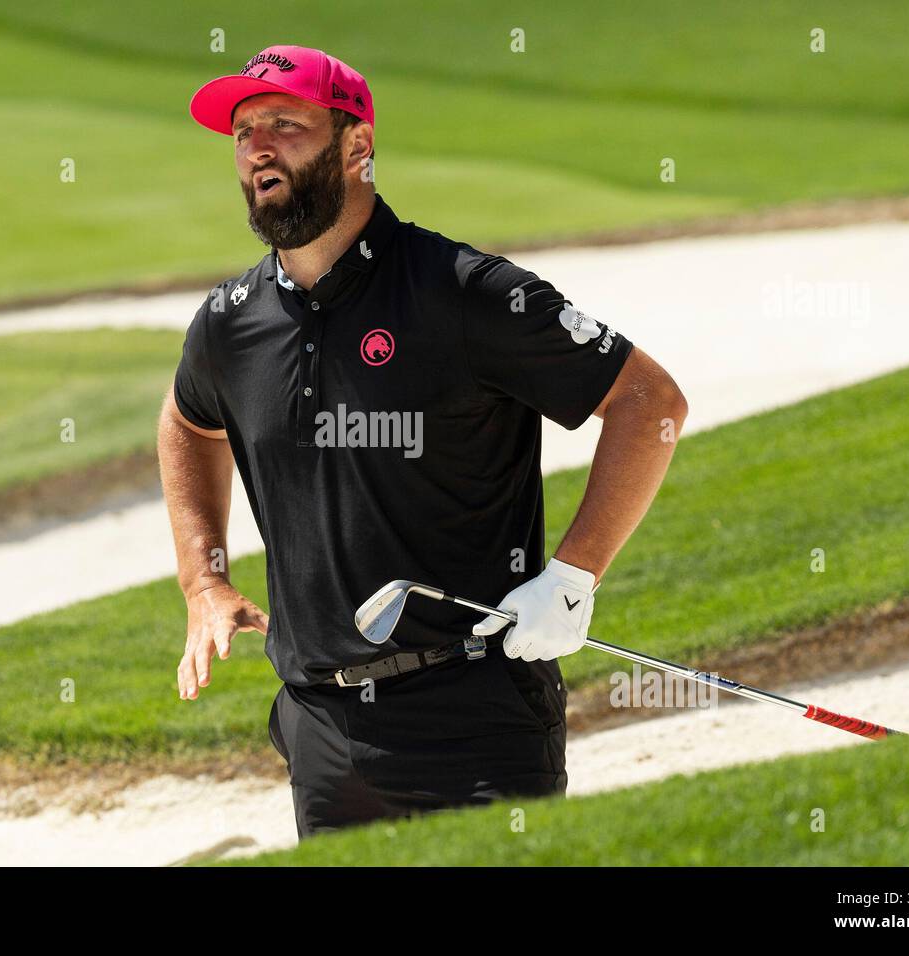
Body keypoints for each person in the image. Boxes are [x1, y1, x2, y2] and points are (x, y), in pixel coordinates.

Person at [160, 45, 688, 838]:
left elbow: (650, 403)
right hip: (323, 732)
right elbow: (186, 422)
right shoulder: (229, 323)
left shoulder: (465, 292)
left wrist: (574, 576)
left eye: (283, 124)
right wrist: (204, 581)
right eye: (242, 132)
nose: (257, 148)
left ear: (357, 148)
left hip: (473, 712)